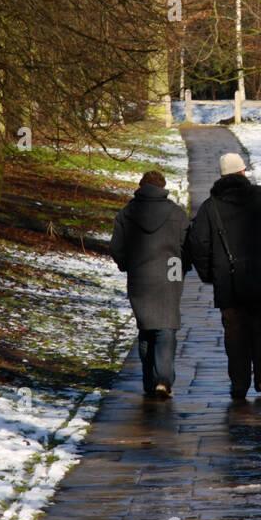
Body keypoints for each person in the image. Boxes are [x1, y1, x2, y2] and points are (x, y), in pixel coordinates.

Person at [188, 151, 261, 401]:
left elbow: (197, 245)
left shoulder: (210, 208)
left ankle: (239, 384)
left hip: (228, 283)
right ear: (243, 172)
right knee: (260, 328)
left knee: (234, 334)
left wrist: (211, 273)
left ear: (222, 175)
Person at [109, 169, 189, 398]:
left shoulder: (127, 213)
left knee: (146, 328)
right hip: (170, 272)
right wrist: (184, 264)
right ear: (162, 187)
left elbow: (116, 248)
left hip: (140, 276)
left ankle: (149, 381)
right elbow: (187, 244)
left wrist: (127, 264)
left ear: (141, 186)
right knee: (166, 326)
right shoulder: (176, 213)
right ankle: (163, 379)